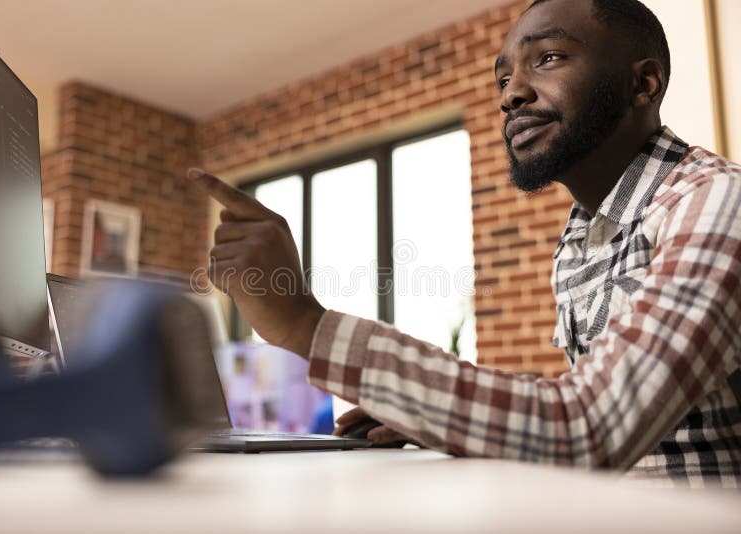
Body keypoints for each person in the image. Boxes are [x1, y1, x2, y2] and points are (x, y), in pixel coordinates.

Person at [188, 0, 741, 487]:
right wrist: (428, 412)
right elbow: (603, 393)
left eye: (547, 58)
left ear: (643, 83)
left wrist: (305, 326)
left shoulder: (716, 202)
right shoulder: (581, 235)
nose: (512, 94)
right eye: (503, 79)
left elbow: (588, 430)